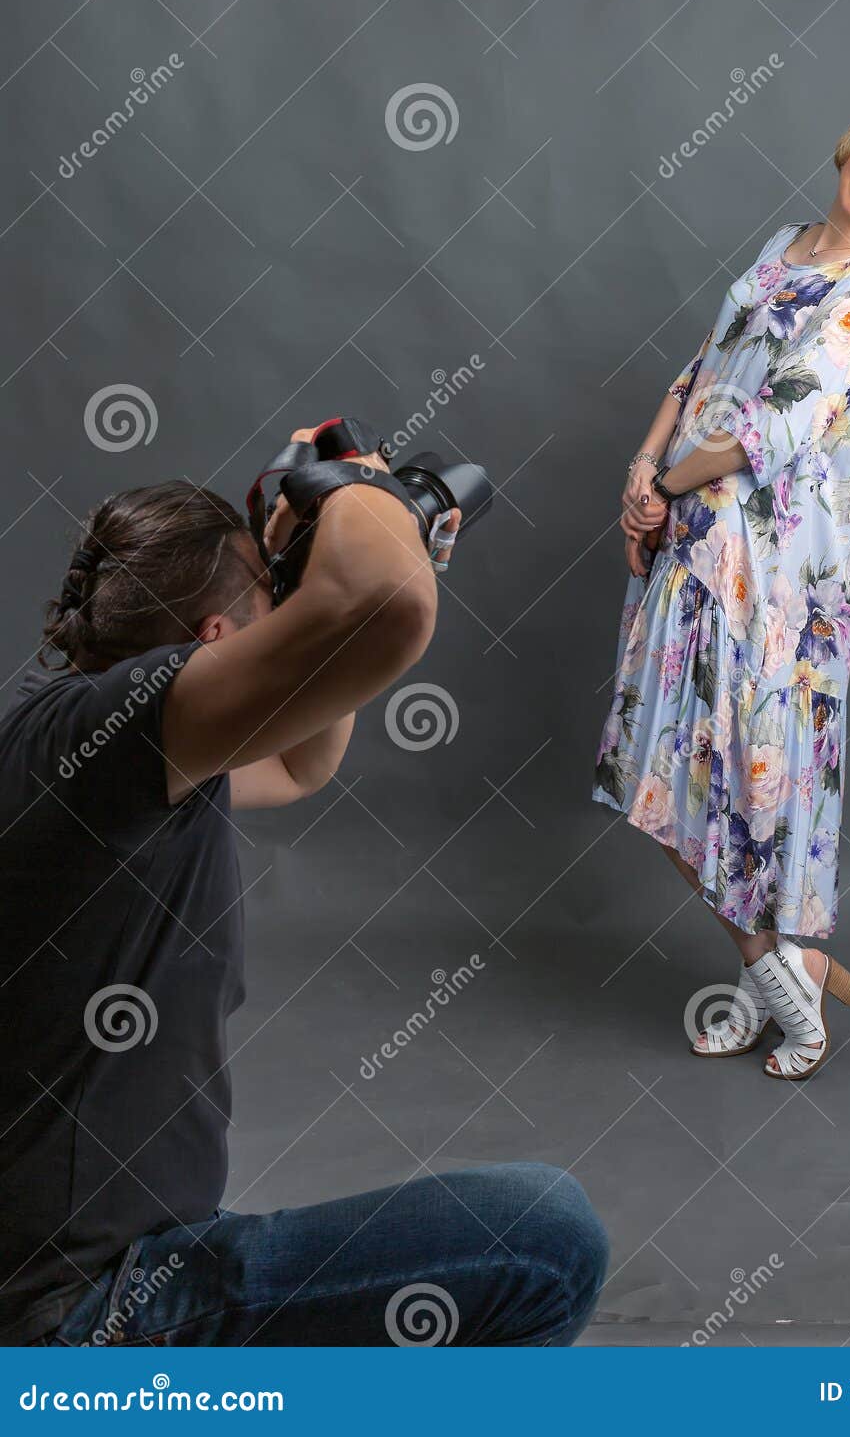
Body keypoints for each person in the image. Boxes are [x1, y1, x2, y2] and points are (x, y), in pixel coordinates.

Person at [0, 430, 608, 1346]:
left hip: (118, 1274)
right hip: (87, 1319)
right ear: (211, 642)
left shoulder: (82, 750)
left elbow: (297, 759)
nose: (284, 631)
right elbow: (385, 607)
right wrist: (361, 494)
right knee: (539, 1238)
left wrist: (298, 586)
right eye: (265, 612)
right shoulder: (117, 734)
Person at [593, 97, 850, 1082]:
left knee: (744, 784)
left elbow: (781, 427)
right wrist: (642, 472)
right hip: (688, 531)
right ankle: (785, 975)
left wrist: (667, 484)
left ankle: (789, 997)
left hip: (772, 566)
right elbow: (706, 370)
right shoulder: (786, 242)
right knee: (663, 775)